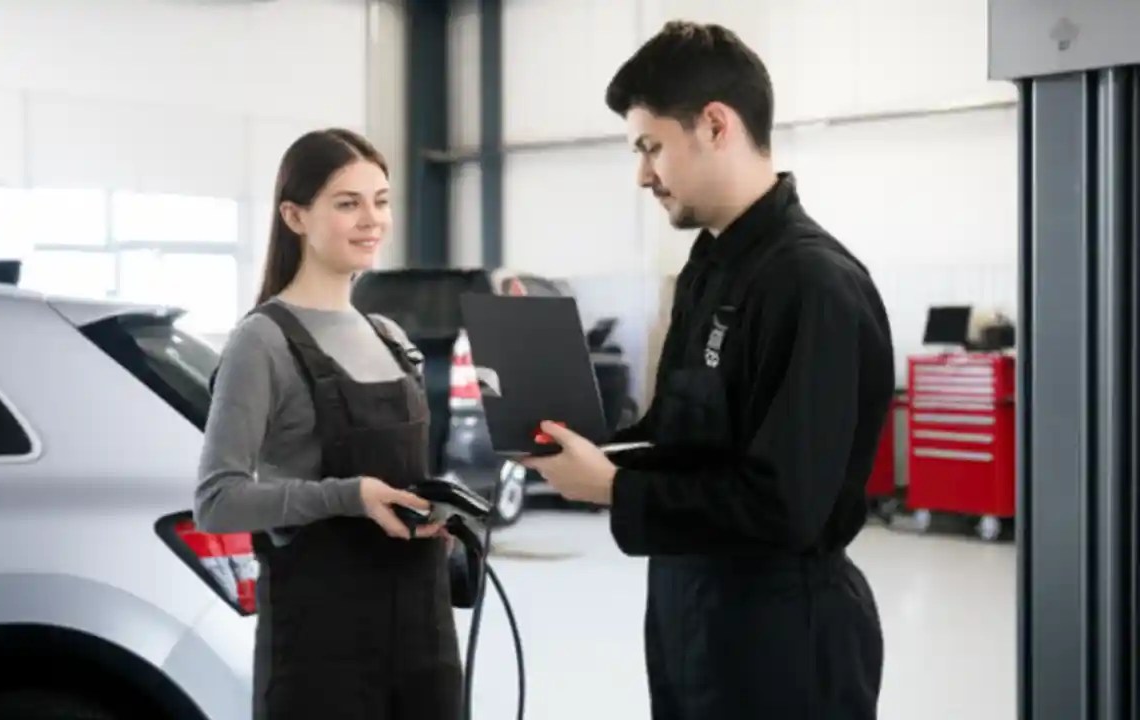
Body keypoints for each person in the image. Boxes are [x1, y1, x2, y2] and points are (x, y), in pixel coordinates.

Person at [521, 20, 894, 720]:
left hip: (784, 637)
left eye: (650, 146)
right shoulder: (709, 268)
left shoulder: (813, 284)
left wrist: (615, 490)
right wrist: (587, 447)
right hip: (693, 613)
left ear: (715, 125)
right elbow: (682, 436)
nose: (642, 174)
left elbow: (785, 504)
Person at [194, 128, 462, 720]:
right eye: (348, 203)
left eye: (381, 200)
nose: (372, 220)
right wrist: (351, 497)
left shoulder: (391, 339)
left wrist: (436, 511)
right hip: (322, 647)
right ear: (295, 215)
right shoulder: (262, 341)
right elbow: (217, 501)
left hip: (423, 635)